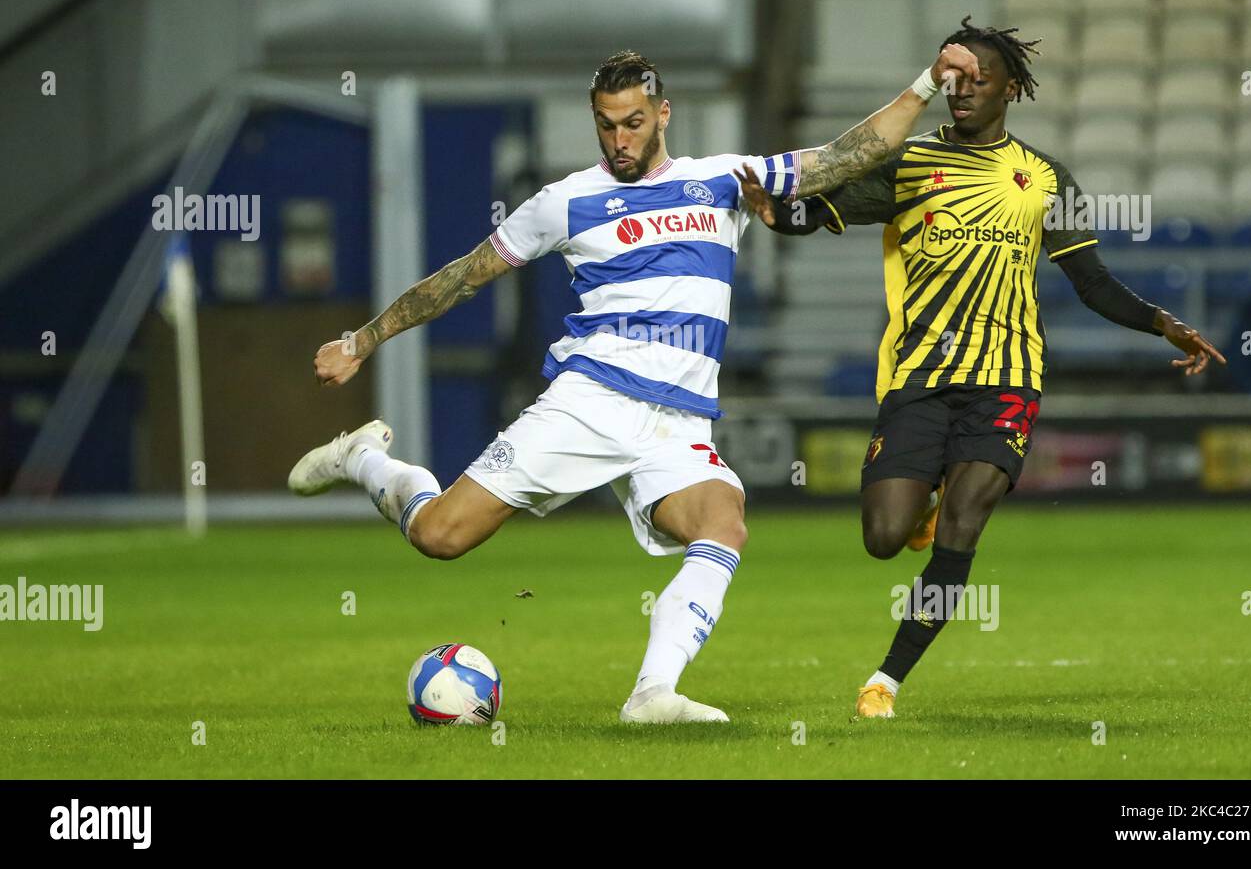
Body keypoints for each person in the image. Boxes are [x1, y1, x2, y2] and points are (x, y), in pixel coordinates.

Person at [288, 45, 978, 724]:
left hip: (677, 427)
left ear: (663, 113)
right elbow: (463, 276)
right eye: (606, 124)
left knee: (723, 521)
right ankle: (364, 457)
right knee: (440, 536)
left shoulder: (724, 180)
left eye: (633, 122)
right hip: (588, 403)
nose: (620, 139)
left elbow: (850, 153)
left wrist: (926, 82)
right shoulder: (563, 203)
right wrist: (365, 339)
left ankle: (652, 694)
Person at [740, 17, 1226, 719]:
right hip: (920, 377)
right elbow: (815, 213)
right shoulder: (909, 163)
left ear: (1011, 89)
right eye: (954, 79)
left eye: (978, 79)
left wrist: (1165, 323)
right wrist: (773, 214)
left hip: (1008, 377)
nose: (961, 91)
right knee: (882, 539)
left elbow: (1091, 281)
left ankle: (887, 681)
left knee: (966, 522)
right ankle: (920, 510)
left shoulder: (1046, 177)